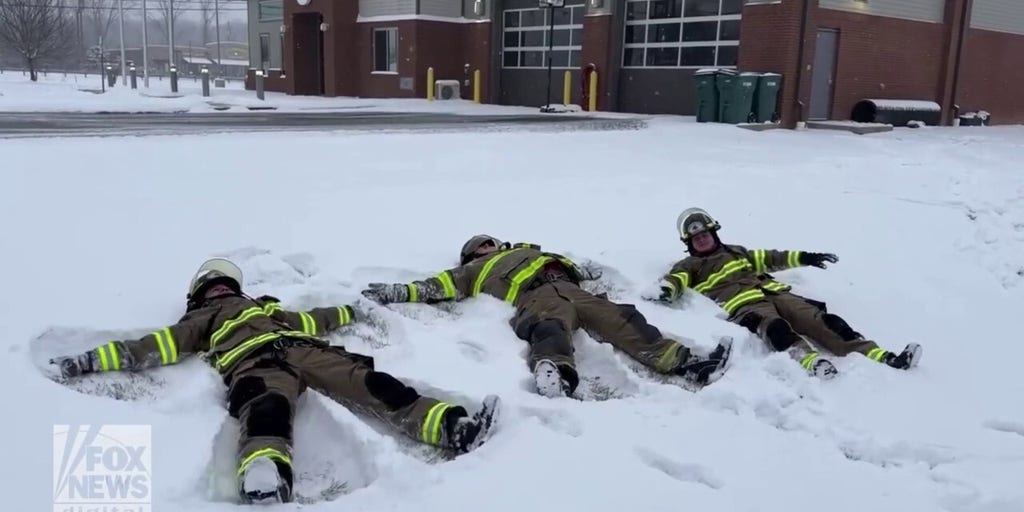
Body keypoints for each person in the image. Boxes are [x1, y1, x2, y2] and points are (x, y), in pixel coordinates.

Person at [48, 258, 500, 505]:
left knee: (376, 385)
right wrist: (91, 360)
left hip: (309, 353)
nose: (223, 291)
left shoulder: (266, 308)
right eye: (216, 288)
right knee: (266, 411)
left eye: (227, 286)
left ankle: (449, 427)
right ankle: (265, 474)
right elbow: (154, 346)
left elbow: (310, 319)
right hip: (254, 368)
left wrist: (346, 311)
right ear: (202, 296)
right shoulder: (199, 320)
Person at [360, 235, 731, 398]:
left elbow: (577, 266)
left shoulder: (527, 249)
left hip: (570, 287)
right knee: (550, 328)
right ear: (471, 256)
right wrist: (393, 292)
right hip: (536, 297)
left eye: (489, 242)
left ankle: (684, 363)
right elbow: (431, 286)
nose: (487, 247)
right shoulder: (469, 273)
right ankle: (555, 374)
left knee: (621, 317)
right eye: (479, 247)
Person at [650, 207, 922, 379]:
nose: (702, 238)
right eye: (696, 238)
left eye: (705, 233)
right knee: (777, 329)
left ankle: (885, 357)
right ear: (689, 243)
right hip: (747, 307)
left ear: (714, 233)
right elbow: (675, 280)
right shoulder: (689, 265)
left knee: (825, 322)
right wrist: (666, 290)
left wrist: (805, 257)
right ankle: (810, 361)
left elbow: (772, 257)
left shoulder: (738, 252)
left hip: (777, 294)